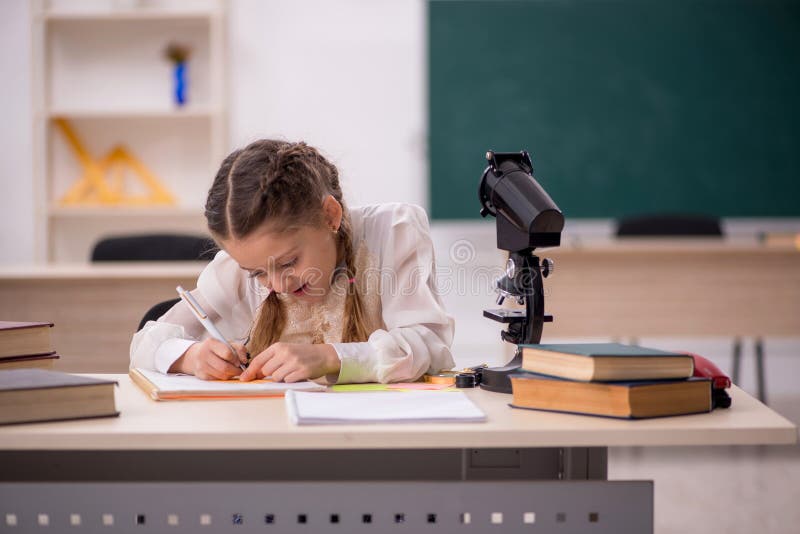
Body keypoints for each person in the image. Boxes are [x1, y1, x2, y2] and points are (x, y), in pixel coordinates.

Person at [130, 139, 455, 383]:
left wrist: (331, 357)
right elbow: (145, 341)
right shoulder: (235, 272)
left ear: (330, 215)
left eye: (288, 263)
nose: (277, 284)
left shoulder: (392, 233)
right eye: (257, 272)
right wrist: (190, 356)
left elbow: (430, 345)